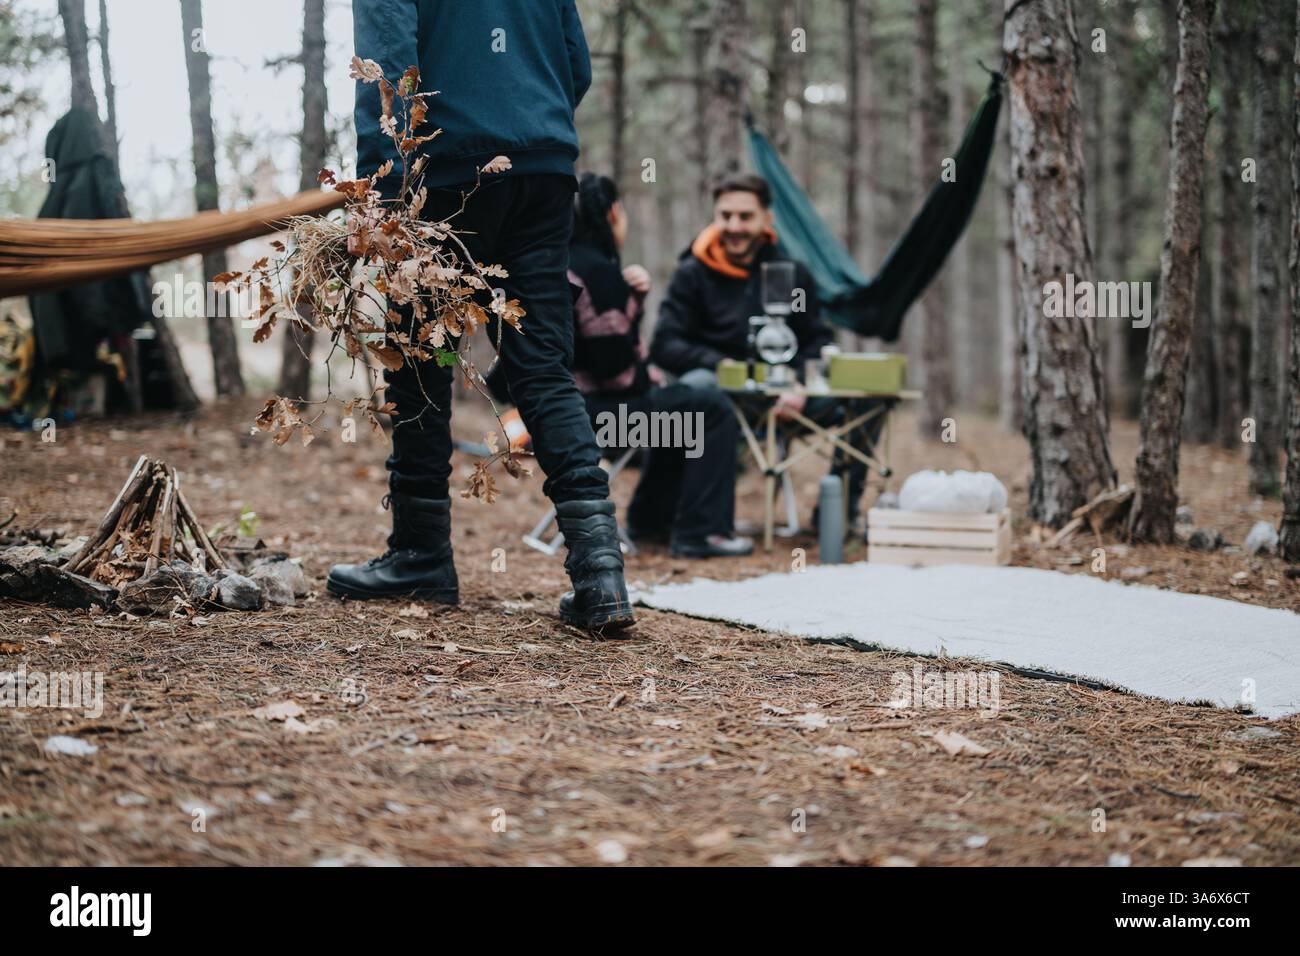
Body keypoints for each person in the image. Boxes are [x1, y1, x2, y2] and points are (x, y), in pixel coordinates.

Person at [328, 0, 635, 632]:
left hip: (445, 175)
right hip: (544, 173)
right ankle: (602, 577)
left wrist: (380, 191)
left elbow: (388, 70)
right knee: (541, 367)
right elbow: (576, 65)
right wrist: (527, 122)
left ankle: (421, 554)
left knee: (422, 357)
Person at [650, 174, 877, 528]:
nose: (734, 226)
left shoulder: (789, 273)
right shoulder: (693, 273)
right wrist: (720, 364)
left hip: (785, 396)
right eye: (725, 215)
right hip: (721, 398)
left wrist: (799, 382)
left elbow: (817, 339)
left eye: (745, 216)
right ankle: (698, 523)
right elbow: (665, 344)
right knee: (697, 386)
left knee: (868, 397)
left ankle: (836, 517)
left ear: (767, 220)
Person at [568, 173, 753, 558]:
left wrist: (632, 301)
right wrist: (633, 306)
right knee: (710, 408)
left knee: (680, 408)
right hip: (601, 421)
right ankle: (702, 533)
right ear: (613, 213)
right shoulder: (596, 272)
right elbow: (611, 365)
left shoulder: (563, 265)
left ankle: (652, 521)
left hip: (569, 416)